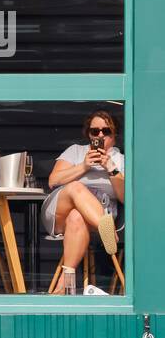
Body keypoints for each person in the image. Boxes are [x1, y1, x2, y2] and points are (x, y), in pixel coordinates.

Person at [44, 109, 124, 292]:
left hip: (95, 216)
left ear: (115, 135)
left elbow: (125, 197)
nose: (100, 135)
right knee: (76, 187)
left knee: (77, 216)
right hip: (60, 211)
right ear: (88, 134)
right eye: (95, 131)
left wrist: (111, 168)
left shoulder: (120, 160)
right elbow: (53, 180)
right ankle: (107, 230)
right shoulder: (76, 151)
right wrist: (84, 166)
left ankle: (64, 283)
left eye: (106, 131)